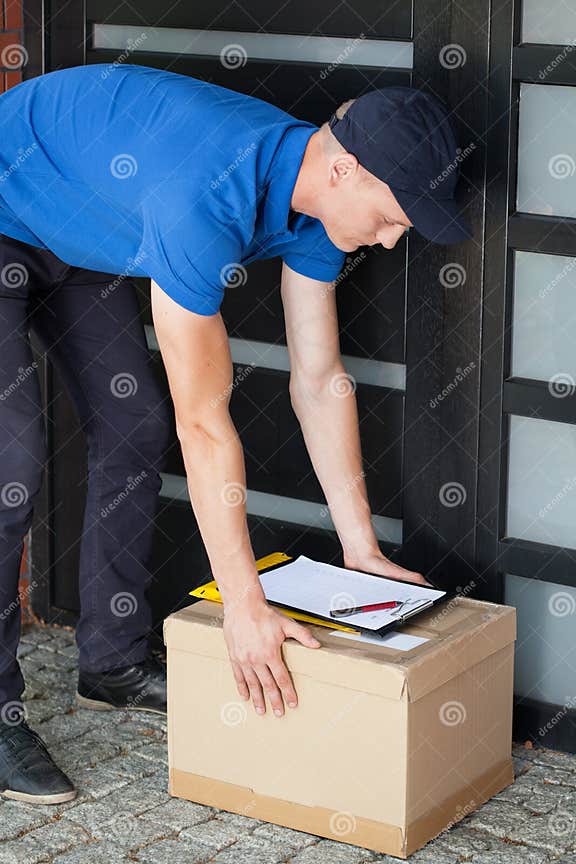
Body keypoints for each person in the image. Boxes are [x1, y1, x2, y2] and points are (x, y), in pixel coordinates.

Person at [0, 63, 471, 804]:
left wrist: (361, 549)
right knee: (12, 459)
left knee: (135, 423)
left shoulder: (318, 212)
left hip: (91, 230)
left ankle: (111, 665)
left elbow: (319, 380)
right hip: (9, 202)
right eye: (391, 217)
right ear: (345, 169)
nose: (388, 242)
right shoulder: (203, 194)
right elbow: (206, 420)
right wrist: (244, 605)